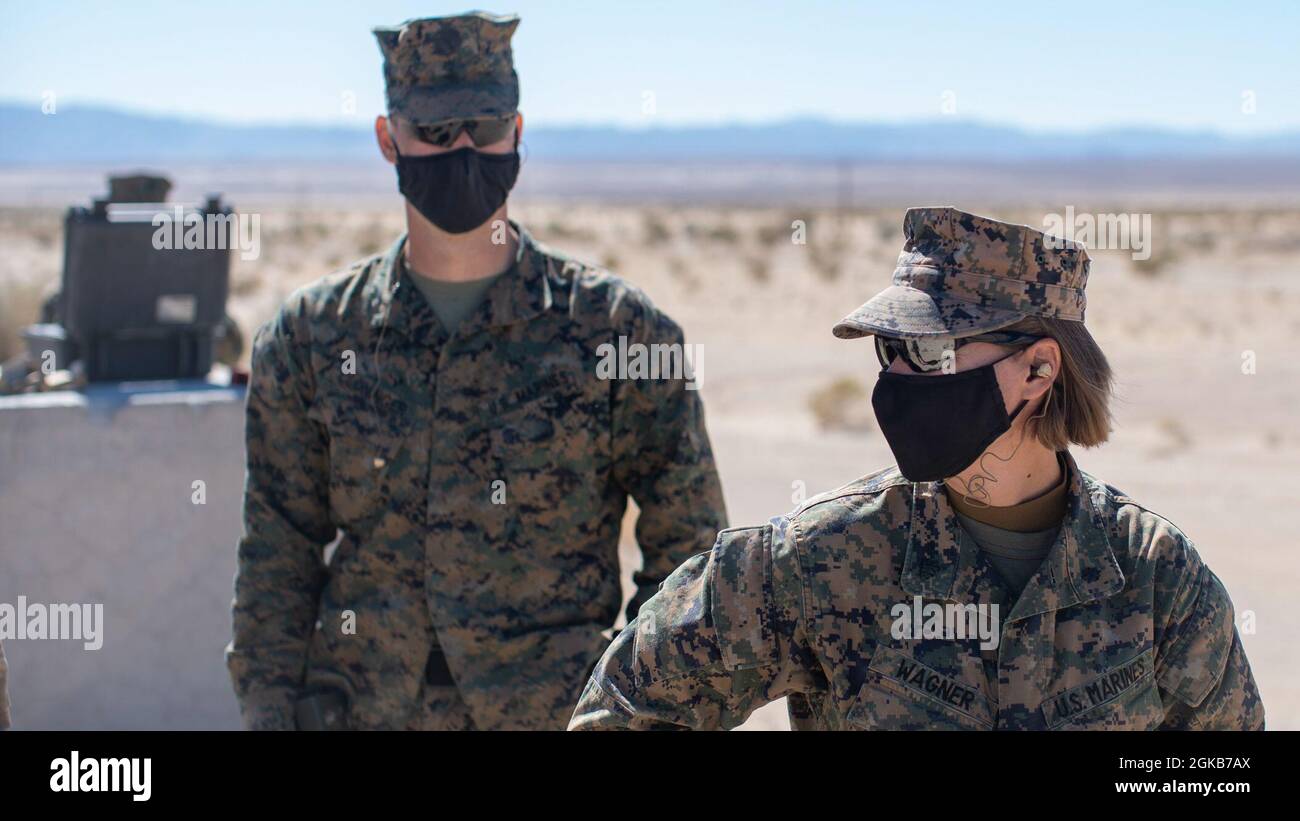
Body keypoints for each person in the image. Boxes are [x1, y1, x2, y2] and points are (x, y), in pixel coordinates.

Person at [569, 207, 1264, 731]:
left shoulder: (1158, 581)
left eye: (929, 354)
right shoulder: (818, 560)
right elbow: (627, 705)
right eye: (890, 351)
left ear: (1039, 369)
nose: (898, 379)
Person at [226, 12, 727, 730]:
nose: (462, 149)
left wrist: (637, 706)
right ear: (386, 138)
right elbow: (277, 551)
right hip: (359, 712)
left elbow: (691, 556)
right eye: (435, 132)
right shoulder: (311, 338)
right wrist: (271, 712)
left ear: (518, 132)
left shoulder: (618, 334)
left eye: (484, 129)